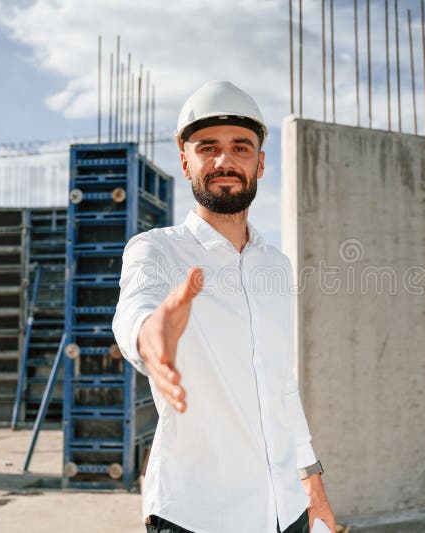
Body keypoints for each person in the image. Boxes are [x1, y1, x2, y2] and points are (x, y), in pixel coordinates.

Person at [113, 81, 336, 533]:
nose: (224, 161)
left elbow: (281, 384)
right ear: (186, 162)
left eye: (240, 148)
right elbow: (136, 309)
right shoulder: (156, 250)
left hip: (286, 510)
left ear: (260, 163)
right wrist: (150, 337)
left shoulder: (275, 266)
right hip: (198, 516)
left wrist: (311, 480)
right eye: (208, 148)